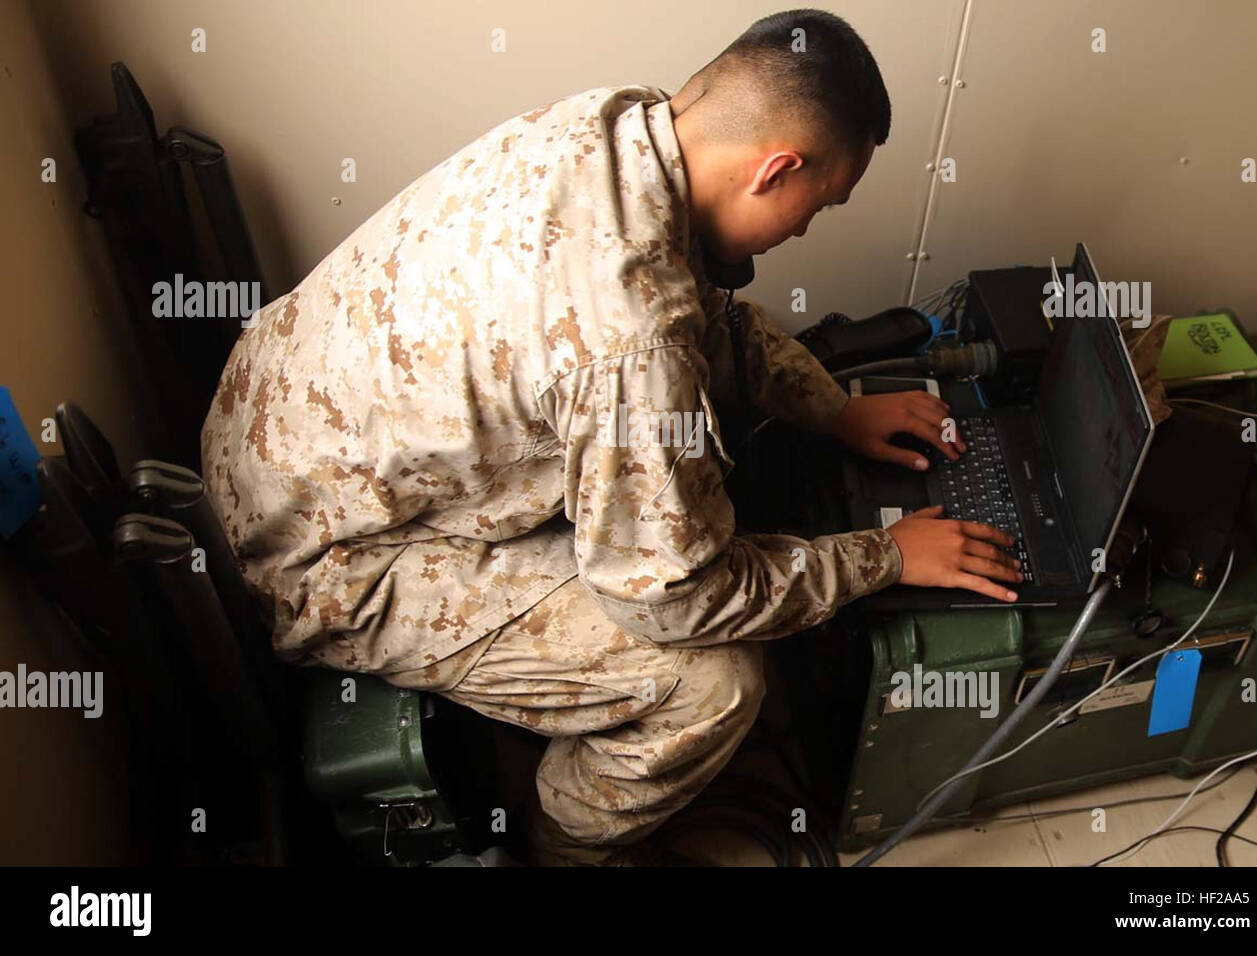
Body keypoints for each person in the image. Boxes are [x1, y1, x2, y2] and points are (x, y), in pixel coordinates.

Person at [201, 8, 1022, 866]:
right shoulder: (629, 341)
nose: (804, 232)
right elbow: (674, 596)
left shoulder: (616, 128)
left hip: (261, 425)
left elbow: (703, 310)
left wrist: (834, 407)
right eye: (815, 207)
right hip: (322, 559)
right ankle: (562, 852)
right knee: (713, 683)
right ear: (777, 168)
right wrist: (885, 557)